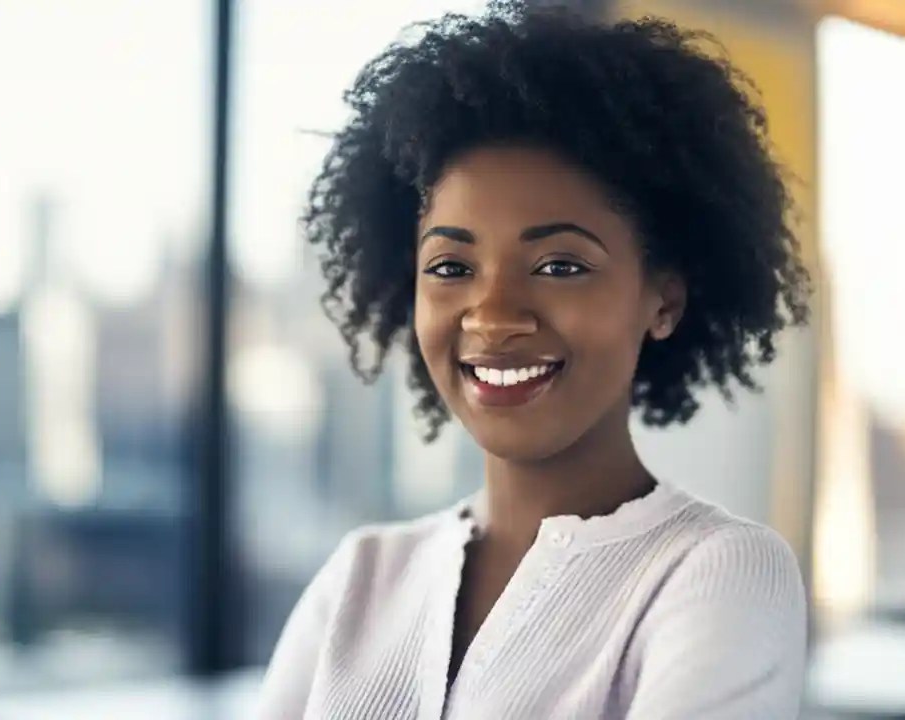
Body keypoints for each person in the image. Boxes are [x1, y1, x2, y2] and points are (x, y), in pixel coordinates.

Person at [256, 2, 812, 718]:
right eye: (452, 267)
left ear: (663, 301)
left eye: (558, 265)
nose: (493, 316)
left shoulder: (717, 572)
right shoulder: (361, 577)